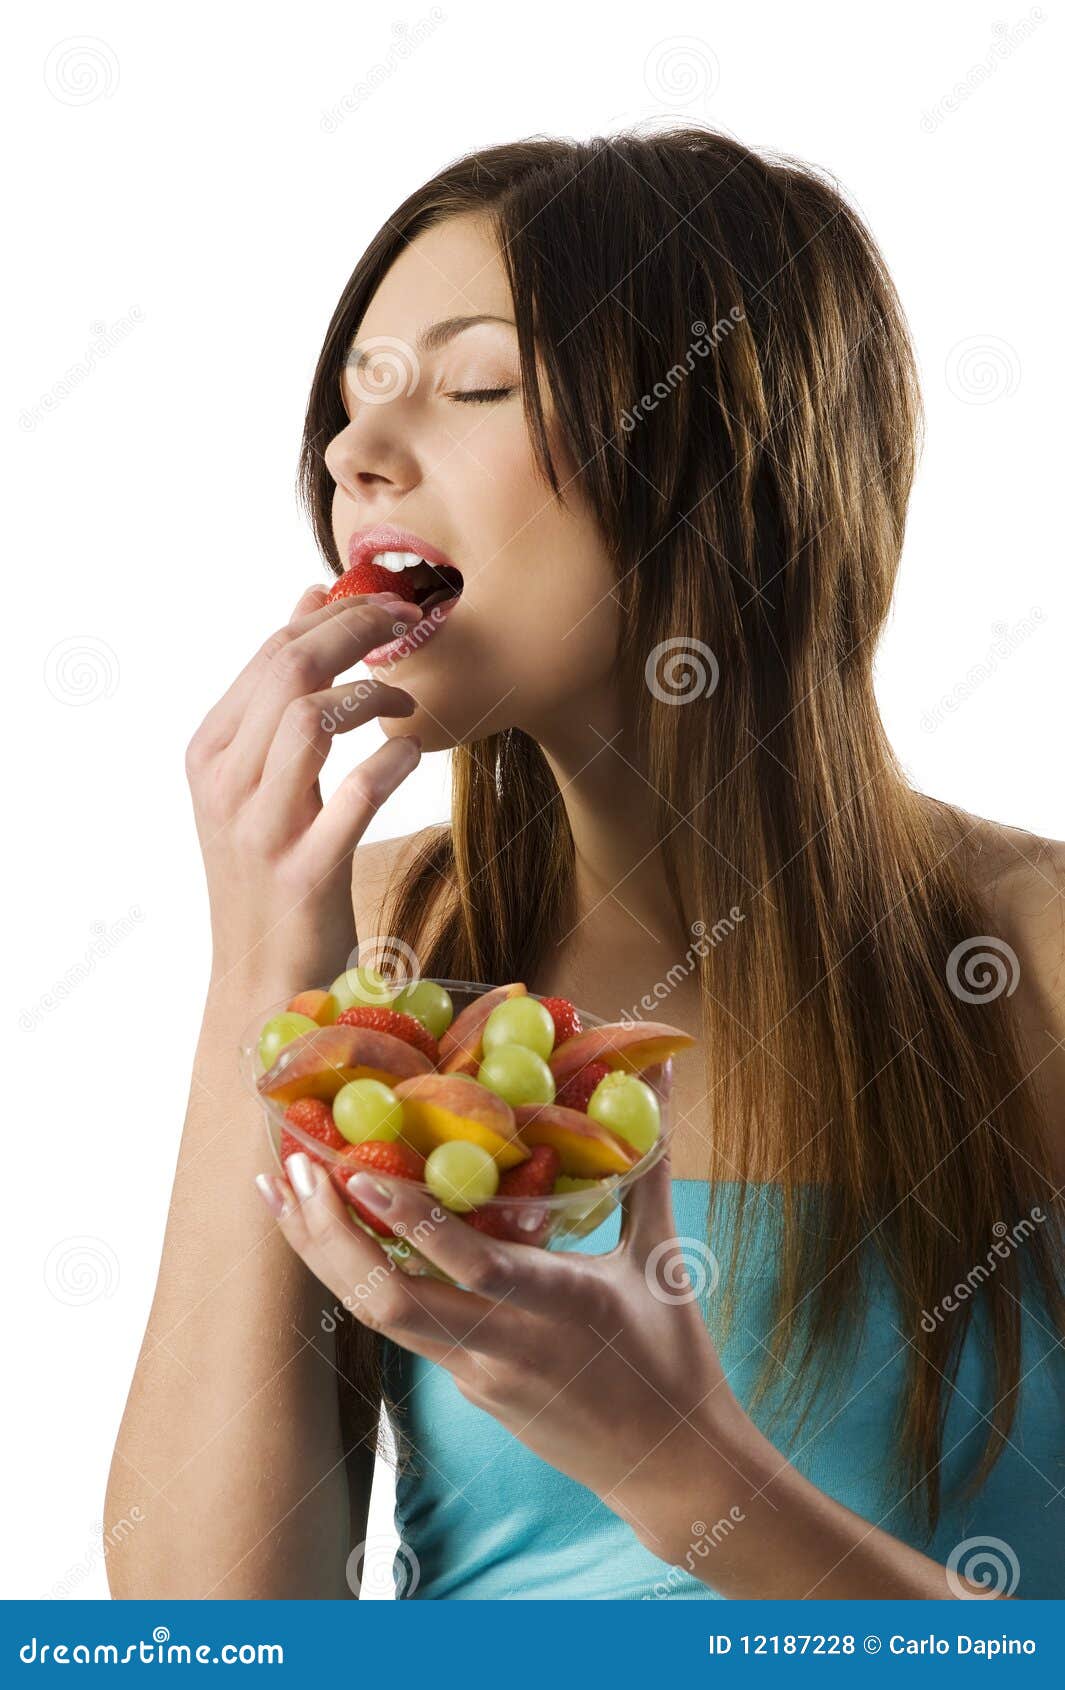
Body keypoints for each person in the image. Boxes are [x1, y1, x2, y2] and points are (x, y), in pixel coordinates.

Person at [106, 127, 1064, 1600]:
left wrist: (675, 1466)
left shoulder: (1028, 959)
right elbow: (216, 1631)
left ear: (721, 451)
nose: (355, 454)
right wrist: (258, 955)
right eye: (357, 400)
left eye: (477, 382)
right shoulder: (391, 944)